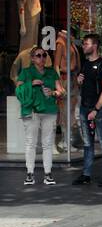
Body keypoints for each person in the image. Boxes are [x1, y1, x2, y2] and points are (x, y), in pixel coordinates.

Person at [14, 45, 64, 185]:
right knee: (31, 143)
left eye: (44, 55)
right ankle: (30, 173)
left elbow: (61, 91)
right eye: (38, 55)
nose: (42, 58)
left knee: (47, 143)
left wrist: (53, 93)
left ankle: (48, 174)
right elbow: (18, 90)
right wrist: (31, 83)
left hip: (49, 110)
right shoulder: (26, 72)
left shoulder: (51, 72)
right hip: (32, 111)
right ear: (32, 58)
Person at [74, 32, 102, 187]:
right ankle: (86, 174)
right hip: (84, 108)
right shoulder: (85, 64)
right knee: (87, 143)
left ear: (95, 46)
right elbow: (85, 84)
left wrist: (96, 110)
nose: (84, 46)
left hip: (97, 110)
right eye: (83, 44)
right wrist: (78, 81)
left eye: (86, 43)